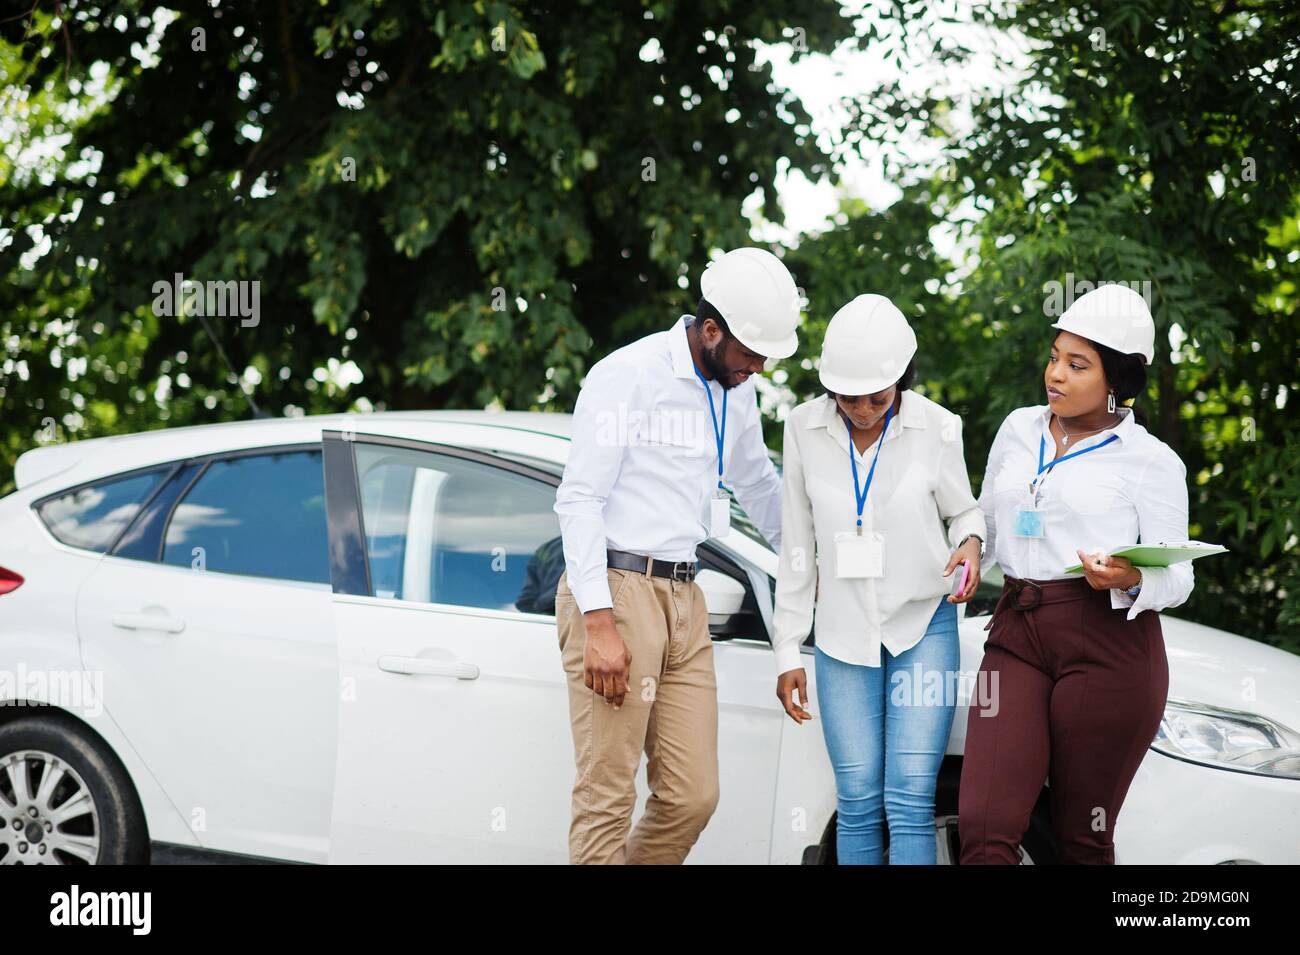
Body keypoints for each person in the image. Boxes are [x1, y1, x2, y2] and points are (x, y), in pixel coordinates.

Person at [553, 247, 799, 864]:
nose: (759, 367)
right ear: (710, 330)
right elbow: (578, 499)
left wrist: (805, 563)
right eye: (750, 353)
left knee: (693, 795)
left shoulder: (735, 390)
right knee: (607, 796)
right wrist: (599, 621)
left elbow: (759, 488)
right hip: (618, 585)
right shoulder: (627, 374)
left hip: (687, 597)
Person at [958, 283, 1194, 864]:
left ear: (1116, 379)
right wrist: (969, 544)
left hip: (1108, 645)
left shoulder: (1152, 462)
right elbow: (986, 520)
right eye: (1055, 357)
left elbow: (1179, 578)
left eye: (1076, 364)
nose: (1054, 374)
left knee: (1081, 841)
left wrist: (1127, 579)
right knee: (985, 829)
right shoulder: (1018, 429)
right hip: (1018, 629)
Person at [771, 293, 986, 864]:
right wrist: (788, 648)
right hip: (841, 634)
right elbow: (796, 544)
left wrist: (970, 542)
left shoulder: (938, 427)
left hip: (923, 626)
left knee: (911, 801)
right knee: (859, 803)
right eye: (847, 396)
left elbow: (965, 511)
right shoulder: (801, 430)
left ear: (902, 380)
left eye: (877, 396)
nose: (862, 409)